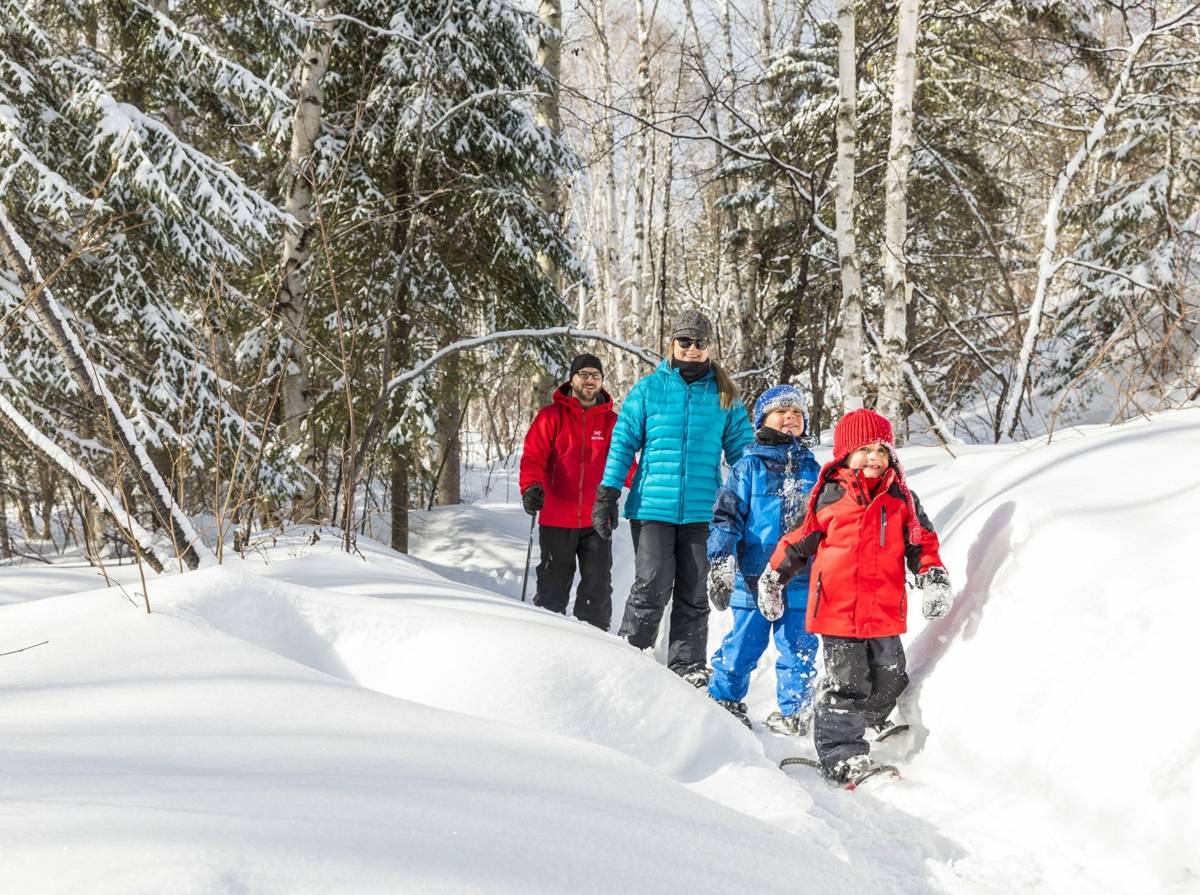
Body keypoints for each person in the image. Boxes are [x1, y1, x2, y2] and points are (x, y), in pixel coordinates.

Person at [758, 408, 954, 785]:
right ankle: (841, 753)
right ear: (846, 454)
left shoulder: (902, 500)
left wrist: (933, 576)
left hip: (883, 609)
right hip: (837, 609)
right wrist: (773, 577)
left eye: (882, 449)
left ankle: (871, 721)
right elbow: (796, 543)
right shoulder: (827, 497)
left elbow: (921, 544)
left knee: (889, 678)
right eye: (864, 449)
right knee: (847, 683)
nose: (874, 457)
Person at [592, 309, 754, 687]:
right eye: (685, 341)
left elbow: (742, 452)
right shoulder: (649, 390)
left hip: (703, 511)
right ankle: (634, 655)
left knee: (694, 593)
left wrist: (751, 499)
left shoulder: (724, 395)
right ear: (672, 343)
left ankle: (688, 667)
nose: (692, 348)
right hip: (652, 508)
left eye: (699, 342)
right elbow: (622, 444)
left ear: (709, 347)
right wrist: (608, 492)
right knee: (652, 585)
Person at [705, 385, 822, 732]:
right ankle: (724, 700)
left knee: (798, 649)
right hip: (753, 576)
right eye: (781, 412)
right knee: (742, 645)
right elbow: (726, 518)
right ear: (762, 420)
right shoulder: (748, 467)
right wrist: (722, 559)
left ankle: (795, 711)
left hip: (800, 579)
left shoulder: (814, 470)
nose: (790, 418)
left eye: (797, 413)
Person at [519, 353, 619, 630]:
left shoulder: (612, 422)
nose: (589, 380)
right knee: (552, 590)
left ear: (601, 382)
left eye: (595, 376)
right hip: (556, 518)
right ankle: (549, 643)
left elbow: (625, 465)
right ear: (572, 379)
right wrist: (531, 487)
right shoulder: (551, 416)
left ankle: (595, 647)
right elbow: (533, 458)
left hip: (597, 519)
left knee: (597, 591)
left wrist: (649, 484)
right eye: (583, 374)